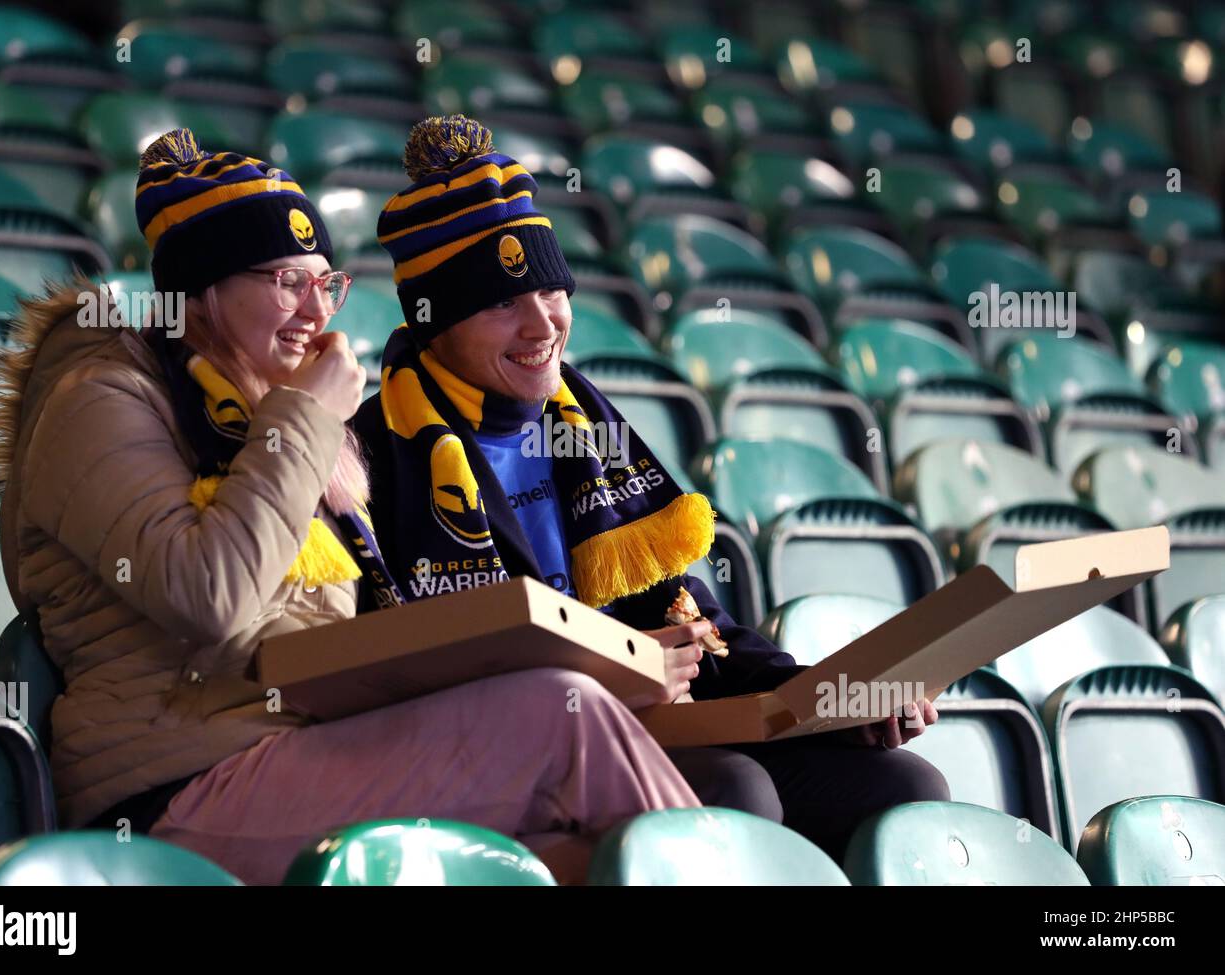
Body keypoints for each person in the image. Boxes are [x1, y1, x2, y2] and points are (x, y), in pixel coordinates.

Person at [0, 128, 700, 885]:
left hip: (306, 748)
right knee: (569, 715)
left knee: (573, 861)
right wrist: (304, 422)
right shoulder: (100, 400)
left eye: (326, 284)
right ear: (199, 294)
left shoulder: (273, 412)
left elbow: (331, 642)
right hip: (173, 791)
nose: (314, 310)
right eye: (286, 280)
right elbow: (207, 595)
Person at [353, 115, 950, 861]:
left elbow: (692, 621)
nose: (543, 325)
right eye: (503, 303)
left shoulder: (583, 421)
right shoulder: (375, 452)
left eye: (551, 290)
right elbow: (394, 673)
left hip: (647, 724)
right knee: (736, 791)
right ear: (433, 322)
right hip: (503, 753)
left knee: (901, 780)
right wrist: (616, 670)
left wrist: (829, 698)